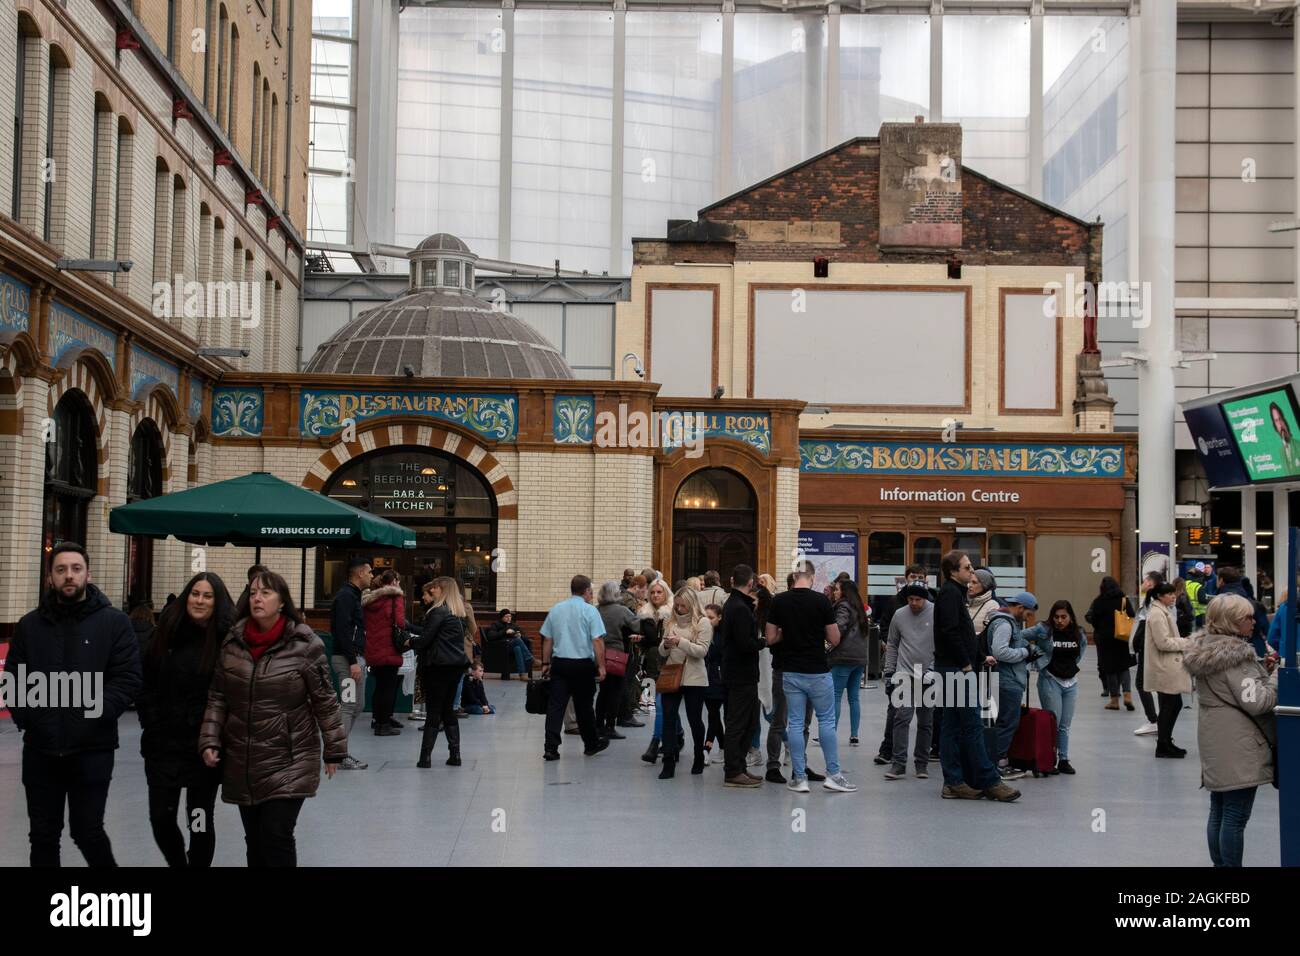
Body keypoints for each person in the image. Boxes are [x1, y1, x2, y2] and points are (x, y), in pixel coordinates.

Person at [199, 568, 346, 867]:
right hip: (245, 756)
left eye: (266, 593)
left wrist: (334, 749)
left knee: (276, 834)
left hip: (290, 754)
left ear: (282, 602)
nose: (257, 598)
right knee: (254, 839)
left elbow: (325, 700)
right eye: (253, 592)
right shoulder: (233, 643)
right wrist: (210, 739)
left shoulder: (305, 644)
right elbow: (218, 696)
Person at [9, 543, 142, 867]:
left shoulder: (114, 623)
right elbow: (13, 680)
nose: (69, 575)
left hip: (91, 750)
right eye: (61, 569)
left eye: (76, 568)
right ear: (50, 577)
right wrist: (32, 720)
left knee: (87, 832)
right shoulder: (30, 625)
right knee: (42, 835)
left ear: (88, 574)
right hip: (41, 752)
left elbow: (126, 679)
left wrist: (92, 713)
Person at [138, 572, 235, 867]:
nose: (200, 600)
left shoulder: (227, 640)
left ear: (217, 601)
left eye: (207, 596)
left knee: (199, 818)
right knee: (161, 818)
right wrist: (151, 720)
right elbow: (144, 682)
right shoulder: (166, 631)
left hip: (204, 749)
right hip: (163, 745)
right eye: (195, 594)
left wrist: (216, 736)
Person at [1183, 594, 1279, 867]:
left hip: (1216, 738)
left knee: (1219, 810)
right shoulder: (1236, 659)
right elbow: (1257, 701)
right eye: (1247, 617)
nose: (1253, 621)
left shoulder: (1204, 652)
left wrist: (1260, 671)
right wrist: (1275, 677)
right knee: (1236, 816)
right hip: (1240, 744)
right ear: (1232, 622)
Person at [933, 550, 1018, 802]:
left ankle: (954, 782)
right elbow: (949, 632)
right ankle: (988, 780)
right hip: (956, 670)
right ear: (953, 572)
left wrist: (978, 657)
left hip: (952, 668)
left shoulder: (954, 594)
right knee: (972, 725)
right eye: (967, 568)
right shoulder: (950, 594)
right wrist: (966, 664)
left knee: (950, 726)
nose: (972, 572)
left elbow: (960, 633)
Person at [765, 562, 857, 793]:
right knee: (825, 721)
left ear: (794, 576)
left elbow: (770, 638)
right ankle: (833, 775)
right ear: (812, 577)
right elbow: (834, 638)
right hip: (817, 670)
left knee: (793, 723)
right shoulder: (822, 601)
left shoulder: (779, 601)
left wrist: (788, 632)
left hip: (790, 671)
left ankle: (798, 777)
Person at [539, 575, 610, 761]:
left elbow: (547, 638)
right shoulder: (590, 611)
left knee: (556, 706)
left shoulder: (556, 609)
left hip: (560, 663)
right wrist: (601, 666)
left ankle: (551, 747)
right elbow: (597, 640)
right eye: (591, 592)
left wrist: (545, 663)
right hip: (582, 665)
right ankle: (591, 744)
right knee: (584, 706)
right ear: (586, 591)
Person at [410, 577, 471, 768]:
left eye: (435, 587)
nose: (432, 590)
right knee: (448, 710)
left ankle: (425, 757)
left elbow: (426, 639)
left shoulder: (438, 611)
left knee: (434, 712)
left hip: (437, 667)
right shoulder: (457, 613)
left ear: (442, 590)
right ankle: (455, 755)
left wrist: (407, 641)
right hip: (455, 667)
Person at [1022, 600, 1086, 775]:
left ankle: (1063, 759)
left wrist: (1070, 667)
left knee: (1065, 724)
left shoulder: (1078, 633)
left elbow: (1081, 651)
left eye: (1064, 617)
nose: (1059, 620)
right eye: (1056, 617)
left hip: (1071, 681)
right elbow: (1019, 635)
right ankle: (1048, 760)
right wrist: (1034, 652)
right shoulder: (1043, 629)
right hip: (1050, 679)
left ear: (1071, 617)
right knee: (1052, 722)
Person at [656, 587, 714, 779]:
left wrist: (680, 641)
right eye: (678, 605)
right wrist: (665, 644)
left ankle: (699, 755)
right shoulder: (670, 621)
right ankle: (668, 761)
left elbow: (702, 652)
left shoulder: (703, 622)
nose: (680, 609)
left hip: (694, 678)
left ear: (692, 604)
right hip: (672, 675)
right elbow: (662, 652)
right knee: (669, 717)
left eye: (684, 606)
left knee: (694, 719)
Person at [883, 582, 935, 780]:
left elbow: (943, 643)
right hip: (904, 674)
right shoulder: (899, 615)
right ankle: (898, 764)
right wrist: (889, 672)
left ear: (925, 599)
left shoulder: (936, 613)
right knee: (901, 718)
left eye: (918, 600)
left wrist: (934, 668)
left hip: (928, 675)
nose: (914, 603)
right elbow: (892, 644)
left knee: (926, 721)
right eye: (910, 599)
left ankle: (921, 764)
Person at [719, 565, 765, 788]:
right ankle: (733, 771)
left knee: (749, 721)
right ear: (750, 583)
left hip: (738, 672)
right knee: (738, 722)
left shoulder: (735, 604)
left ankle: (740, 767)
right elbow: (744, 644)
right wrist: (764, 642)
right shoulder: (739, 608)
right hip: (741, 674)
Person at [328, 557, 370, 770]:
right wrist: (353, 661)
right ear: (360, 573)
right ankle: (338, 754)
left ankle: (340, 750)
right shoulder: (346, 597)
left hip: (354, 659)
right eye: (369, 572)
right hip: (347, 660)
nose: (372, 576)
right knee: (348, 706)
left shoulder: (353, 595)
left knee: (357, 705)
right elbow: (342, 631)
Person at [1144, 581, 1193, 758]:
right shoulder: (1157, 615)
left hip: (1166, 665)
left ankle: (1165, 741)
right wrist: (1186, 642)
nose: (1173, 596)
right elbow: (1163, 642)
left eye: (1173, 593)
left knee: (1171, 704)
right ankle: (1163, 744)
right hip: (1164, 666)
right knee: (1170, 705)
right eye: (1169, 594)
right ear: (1159, 596)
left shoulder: (1162, 612)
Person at [596, 581, 641, 739]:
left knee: (602, 691)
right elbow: (637, 626)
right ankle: (610, 726)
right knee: (615, 691)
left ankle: (598, 725)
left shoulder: (596, 610)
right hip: (616, 656)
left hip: (598, 655)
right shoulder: (622, 611)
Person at [363, 570, 406, 737]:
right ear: (395, 581)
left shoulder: (369, 599)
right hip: (389, 647)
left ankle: (377, 720)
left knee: (379, 687)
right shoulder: (395, 597)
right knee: (388, 688)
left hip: (373, 647)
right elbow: (400, 622)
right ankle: (384, 724)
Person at [829, 578, 869, 747]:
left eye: (837, 589)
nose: (835, 592)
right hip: (859, 658)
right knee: (854, 698)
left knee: (836, 696)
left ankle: (830, 731)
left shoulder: (843, 606)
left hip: (843, 657)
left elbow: (839, 627)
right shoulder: (859, 607)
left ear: (844, 591)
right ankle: (854, 735)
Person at [1088, 576, 1137, 713]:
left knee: (1110, 669)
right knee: (1123, 667)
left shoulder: (1099, 601)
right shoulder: (1123, 600)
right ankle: (1127, 695)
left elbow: (1094, 619)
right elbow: (1132, 614)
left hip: (1105, 639)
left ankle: (1114, 700)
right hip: (1121, 638)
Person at [638, 578, 674, 763]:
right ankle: (667, 739)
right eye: (652, 592)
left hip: (672, 665)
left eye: (659, 592)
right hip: (652, 665)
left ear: (666, 593)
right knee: (662, 706)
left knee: (664, 706)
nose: (655, 595)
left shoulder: (673, 613)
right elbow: (649, 639)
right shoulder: (645, 614)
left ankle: (656, 741)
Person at [1131, 572, 1165, 733]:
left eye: (1144, 580)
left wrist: (1136, 644)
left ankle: (1154, 720)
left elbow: (1146, 625)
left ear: (1150, 584)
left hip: (1149, 647)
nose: (1142, 583)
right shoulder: (1155, 600)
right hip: (1150, 646)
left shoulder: (1152, 602)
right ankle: (1158, 720)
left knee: (1141, 683)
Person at [1216, 567, 1271, 658]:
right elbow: (1267, 630)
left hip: (1224, 652)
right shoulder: (1253, 603)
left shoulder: (1217, 604)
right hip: (1254, 649)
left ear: (1221, 580)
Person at [701, 603, 727, 764]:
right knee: (713, 714)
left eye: (711, 618)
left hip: (719, 678)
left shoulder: (722, 635)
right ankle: (722, 747)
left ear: (720, 617)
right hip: (706, 678)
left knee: (713, 714)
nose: (707, 621)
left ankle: (707, 748)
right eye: (705, 617)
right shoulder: (703, 632)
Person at [485, 608, 534, 680]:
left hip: (511, 647)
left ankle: (522, 674)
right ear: (502, 617)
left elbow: (524, 635)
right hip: (501, 647)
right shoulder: (496, 625)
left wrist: (521, 635)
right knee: (517, 641)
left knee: (518, 648)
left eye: (510, 616)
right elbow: (490, 636)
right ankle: (530, 658)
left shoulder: (514, 626)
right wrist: (505, 632)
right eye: (506, 616)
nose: (509, 618)